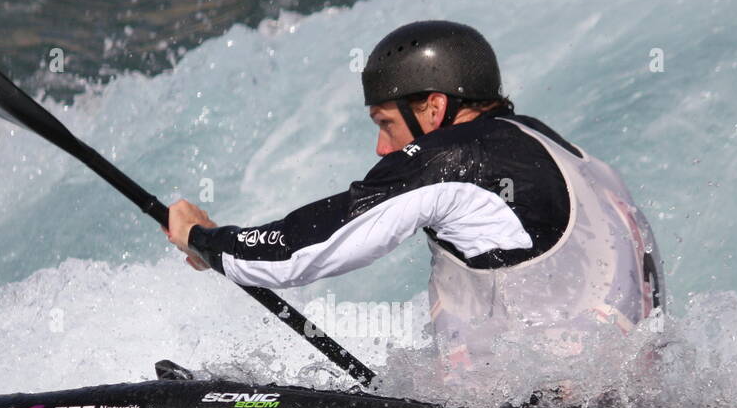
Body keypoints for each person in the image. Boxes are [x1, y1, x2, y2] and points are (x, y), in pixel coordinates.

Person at [165, 20, 664, 376]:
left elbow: (304, 251)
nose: (383, 148)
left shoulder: (455, 157)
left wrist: (204, 239)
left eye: (386, 123)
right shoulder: (559, 150)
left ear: (434, 107)